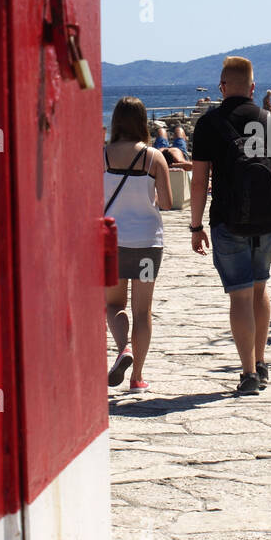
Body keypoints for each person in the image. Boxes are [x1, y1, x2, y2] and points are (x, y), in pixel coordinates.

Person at [190, 57, 271, 396]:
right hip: (268, 219)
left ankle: (248, 373)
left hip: (228, 221)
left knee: (239, 297)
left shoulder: (209, 124)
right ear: (253, 87)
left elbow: (199, 182)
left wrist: (195, 226)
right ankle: (261, 362)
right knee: (260, 290)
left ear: (222, 86)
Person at [104, 96, 172, 390]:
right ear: (143, 121)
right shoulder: (154, 157)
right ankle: (137, 377)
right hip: (147, 243)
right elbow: (167, 203)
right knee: (142, 311)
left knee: (113, 304)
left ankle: (123, 349)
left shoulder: (102, 155)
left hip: (113, 242)